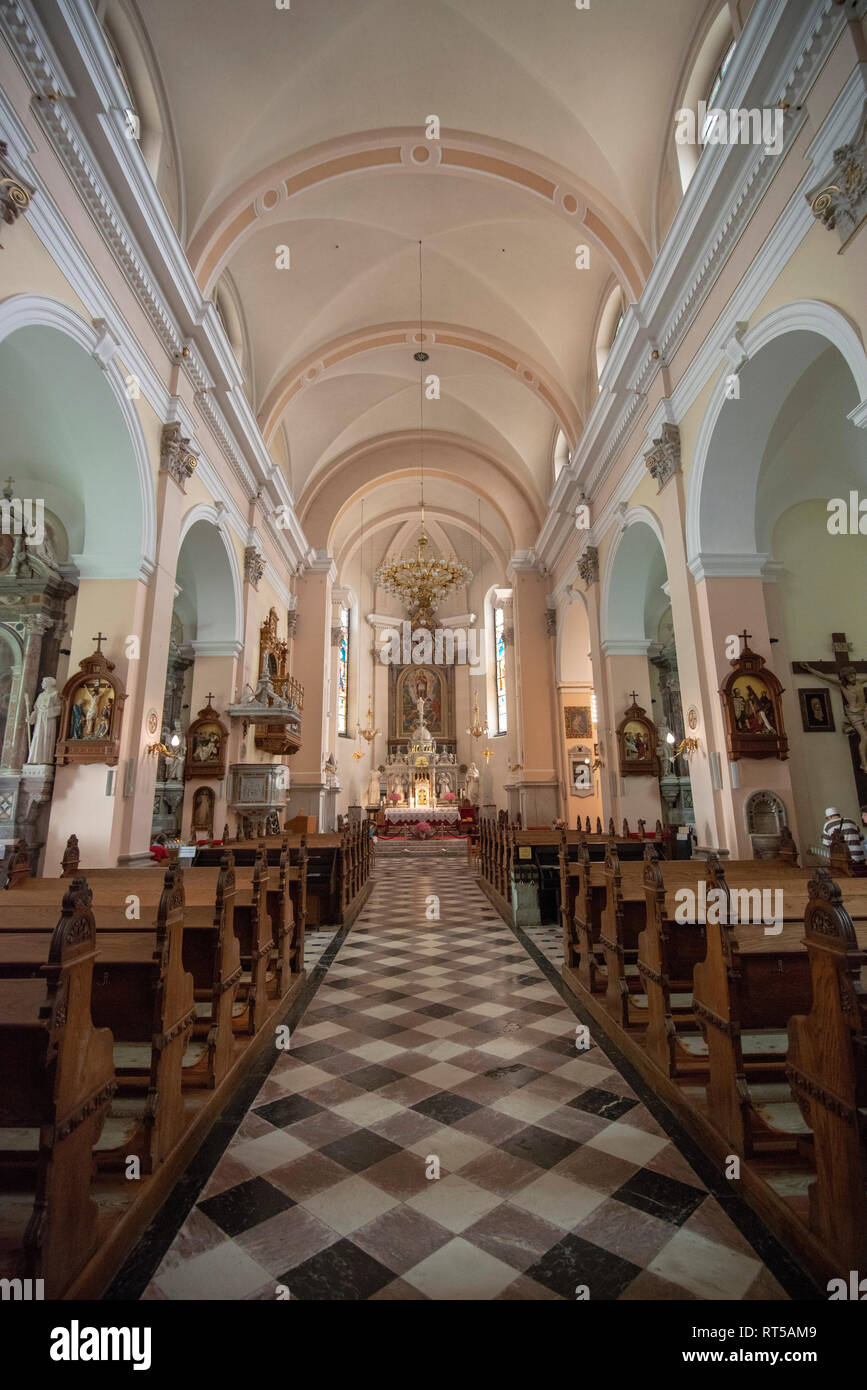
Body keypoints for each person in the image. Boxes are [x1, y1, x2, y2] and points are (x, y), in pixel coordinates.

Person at [26, 676, 62, 764]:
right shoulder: (41, 695)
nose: (42, 684)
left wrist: (48, 711)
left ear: (49, 683)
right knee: (38, 737)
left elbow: (60, 708)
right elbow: (36, 709)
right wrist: (31, 717)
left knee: (47, 737)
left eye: (44, 682)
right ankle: (35, 759)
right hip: (40, 719)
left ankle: (45, 760)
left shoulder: (55, 694)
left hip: (49, 719)